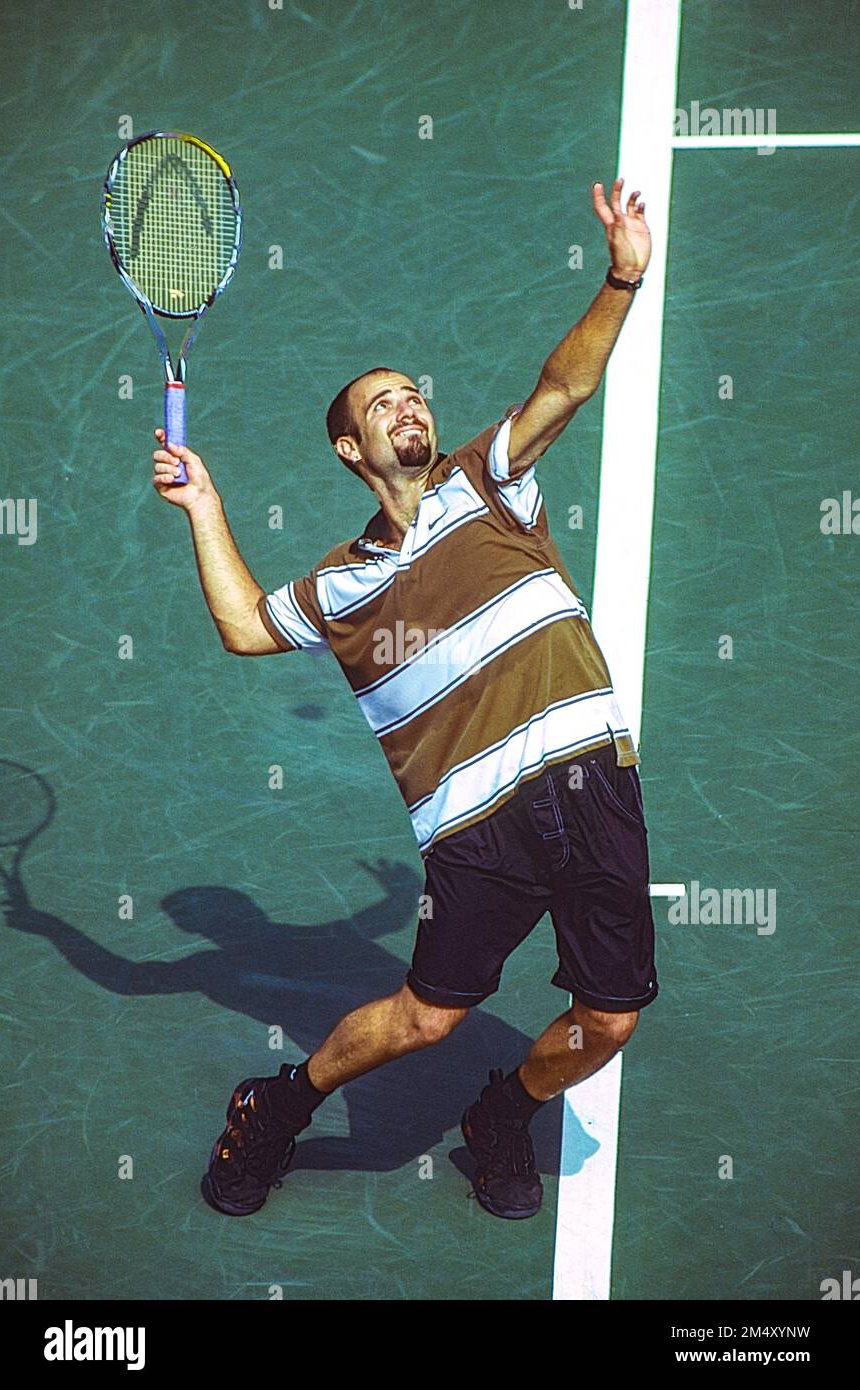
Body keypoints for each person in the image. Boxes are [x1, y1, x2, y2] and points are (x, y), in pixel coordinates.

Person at [152, 177, 656, 1221]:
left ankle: (502, 1111)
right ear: (351, 450)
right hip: (473, 829)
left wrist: (618, 278)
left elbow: (562, 387)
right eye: (382, 403)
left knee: (606, 1023)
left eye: (412, 393)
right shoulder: (339, 585)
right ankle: (281, 1102)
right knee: (426, 1017)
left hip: (589, 784)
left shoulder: (489, 484)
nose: (408, 405)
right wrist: (205, 504)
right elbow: (244, 623)